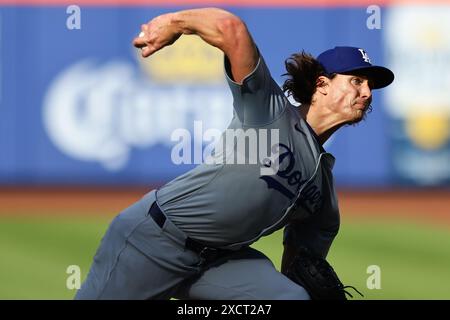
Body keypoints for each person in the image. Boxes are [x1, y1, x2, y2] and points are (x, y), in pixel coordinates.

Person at [75, 7, 394, 300]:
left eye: (369, 86)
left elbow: (301, 265)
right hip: (153, 241)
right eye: (356, 81)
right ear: (322, 84)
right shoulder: (269, 111)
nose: (366, 93)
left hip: (219, 265)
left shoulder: (322, 191)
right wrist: (173, 23)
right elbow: (231, 28)